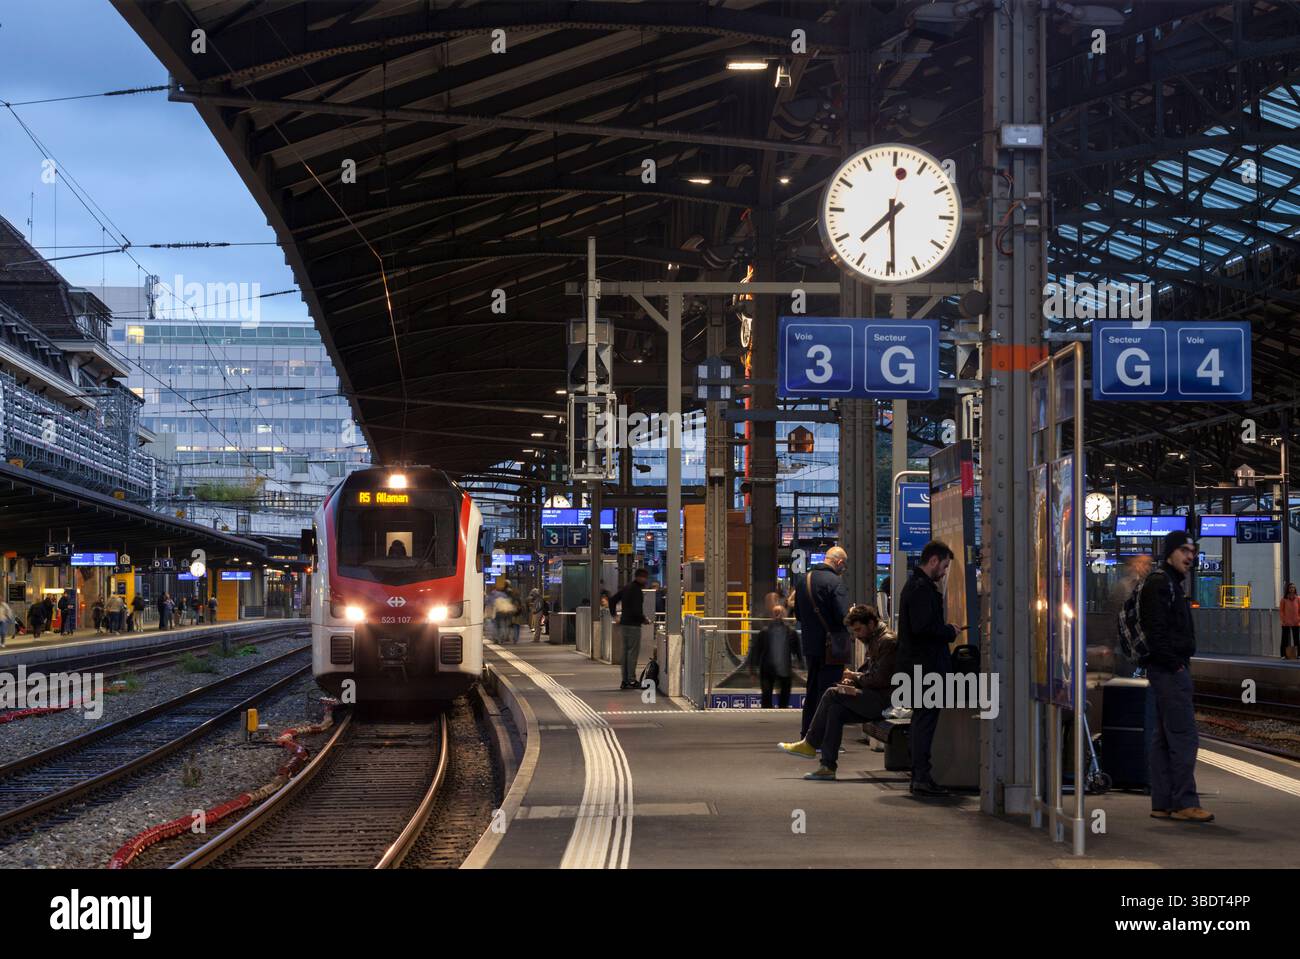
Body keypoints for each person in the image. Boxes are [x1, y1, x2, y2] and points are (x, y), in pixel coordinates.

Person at [1141, 530, 1213, 823]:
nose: (1190, 557)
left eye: (1192, 551)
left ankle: (1162, 802)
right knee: (1184, 737)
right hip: (1170, 672)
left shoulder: (1166, 583)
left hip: (1163, 671)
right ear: (1170, 552)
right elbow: (1156, 631)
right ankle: (1185, 802)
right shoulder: (1162, 584)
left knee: (1162, 738)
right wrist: (1175, 665)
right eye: (1184, 550)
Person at [779, 604, 898, 779]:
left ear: (871, 624)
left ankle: (810, 743)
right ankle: (827, 766)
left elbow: (880, 679)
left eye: (859, 630)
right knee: (836, 711)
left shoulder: (887, 641)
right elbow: (871, 673)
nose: (857, 635)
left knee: (831, 694)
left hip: (885, 701)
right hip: (877, 697)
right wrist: (854, 677)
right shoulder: (876, 640)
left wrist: (855, 678)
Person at [897, 540, 960, 797]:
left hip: (918, 666)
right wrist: (948, 632)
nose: (944, 572)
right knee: (925, 721)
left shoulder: (915, 586)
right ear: (933, 560)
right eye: (944, 566)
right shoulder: (921, 589)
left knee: (921, 720)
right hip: (926, 668)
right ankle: (921, 777)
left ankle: (920, 774)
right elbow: (923, 628)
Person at [792, 546, 850, 740]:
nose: (844, 569)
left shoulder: (803, 581)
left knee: (812, 690)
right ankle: (825, 738)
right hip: (832, 647)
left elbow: (798, 615)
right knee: (830, 692)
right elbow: (843, 616)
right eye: (844, 565)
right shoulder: (835, 582)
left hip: (811, 645)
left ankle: (807, 734)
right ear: (839, 562)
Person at [744, 592, 802, 708]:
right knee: (766, 699)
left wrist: (800, 663)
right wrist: (752, 670)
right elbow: (755, 651)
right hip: (767, 670)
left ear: (784, 615)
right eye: (776, 613)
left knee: (784, 701)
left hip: (784, 670)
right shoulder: (765, 633)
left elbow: (797, 651)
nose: (778, 616)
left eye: (780, 613)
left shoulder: (791, 633)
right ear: (772, 615)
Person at [609, 568, 650, 689]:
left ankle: (625, 680)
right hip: (633, 626)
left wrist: (615, 615)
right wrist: (644, 620)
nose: (645, 579)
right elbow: (636, 611)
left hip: (624, 625)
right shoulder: (636, 590)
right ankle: (631, 680)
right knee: (632, 653)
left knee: (625, 653)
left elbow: (612, 600)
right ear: (639, 577)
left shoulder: (627, 588)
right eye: (644, 577)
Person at [1281, 582, 1299, 659]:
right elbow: (1281, 611)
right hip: (1286, 622)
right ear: (1288, 589)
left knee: (1297, 639)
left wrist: (1298, 619)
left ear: (1295, 589)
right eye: (1290, 587)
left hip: (1296, 622)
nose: (1292, 589)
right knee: (1284, 639)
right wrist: (1284, 619)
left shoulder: (1298, 599)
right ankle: (1283, 655)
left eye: (1293, 587)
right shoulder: (1284, 599)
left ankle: (1298, 654)